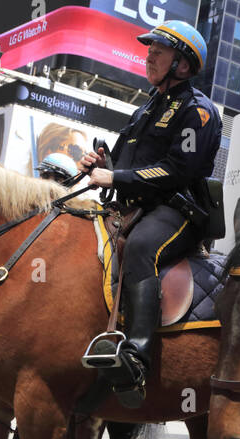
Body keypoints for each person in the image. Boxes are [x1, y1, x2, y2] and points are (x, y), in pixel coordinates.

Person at [80, 21, 221, 406]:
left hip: (176, 212)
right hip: (132, 206)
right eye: (149, 50)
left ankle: (136, 357)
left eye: (159, 51)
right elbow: (128, 162)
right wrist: (103, 162)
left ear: (184, 64)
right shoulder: (146, 109)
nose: (149, 56)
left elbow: (178, 170)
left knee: (141, 247)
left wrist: (116, 174)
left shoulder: (199, 112)